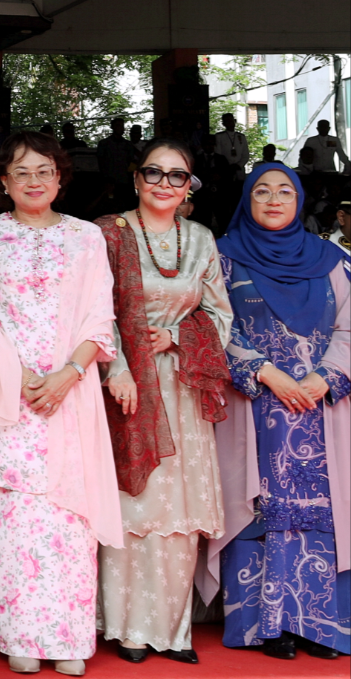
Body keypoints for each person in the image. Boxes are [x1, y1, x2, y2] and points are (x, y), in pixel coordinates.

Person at [0, 131, 121, 676]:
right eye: (21, 172)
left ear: (60, 178)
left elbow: (101, 316)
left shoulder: (85, 238)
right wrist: (23, 374)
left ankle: (70, 638)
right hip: (12, 396)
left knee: (68, 519)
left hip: (70, 395)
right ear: (3, 182)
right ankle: (22, 636)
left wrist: (68, 374)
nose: (34, 180)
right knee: (15, 519)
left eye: (44, 171)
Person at [93, 139, 233, 664]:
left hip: (181, 386)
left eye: (178, 176)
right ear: (136, 178)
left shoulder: (199, 239)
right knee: (133, 503)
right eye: (155, 172)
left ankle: (171, 631)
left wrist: (176, 337)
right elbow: (92, 307)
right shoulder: (107, 234)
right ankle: (127, 628)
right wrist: (119, 366)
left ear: (189, 187)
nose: (164, 183)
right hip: (124, 387)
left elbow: (220, 316)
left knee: (178, 509)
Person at [211, 163, 350, 660]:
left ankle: (319, 623)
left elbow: (350, 329)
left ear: (300, 200)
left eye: (285, 191)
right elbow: (214, 325)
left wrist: (323, 377)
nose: (273, 199)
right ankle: (265, 625)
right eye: (262, 191)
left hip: (321, 407)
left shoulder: (333, 260)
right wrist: (268, 373)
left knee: (324, 511)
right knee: (258, 507)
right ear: (247, 199)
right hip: (255, 406)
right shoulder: (222, 257)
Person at [98, 117, 138, 186]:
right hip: (109, 180)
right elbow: (101, 162)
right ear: (112, 127)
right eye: (118, 125)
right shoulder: (104, 144)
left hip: (124, 180)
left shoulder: (128, 144)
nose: (120, 128)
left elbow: (131, 161)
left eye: (122, 126)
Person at [215, 113, 248, 180]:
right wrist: (228, 167)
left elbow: (246, 155)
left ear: (235, 121)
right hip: (225, 170)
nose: (229, 123)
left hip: (239, 169)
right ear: (223, 124)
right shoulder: (219, 136)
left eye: (231, 120)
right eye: (227, 121)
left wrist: (238, 165)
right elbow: (218, 154)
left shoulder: (241, 137)